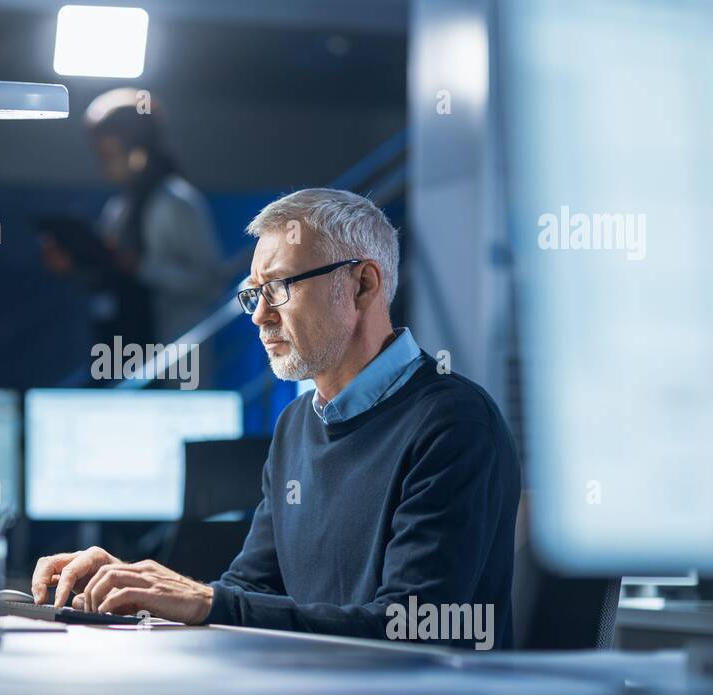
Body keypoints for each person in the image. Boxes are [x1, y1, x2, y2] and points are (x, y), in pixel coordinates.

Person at [30, 188, 521, 648]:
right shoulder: (296, 425)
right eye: (253, 292)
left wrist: (207, 603)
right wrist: (139, 588)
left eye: (280, 286)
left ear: (362, 286)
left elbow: (412, 630)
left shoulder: (453, 425)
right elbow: (250, 588)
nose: (259, 315)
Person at [41, 88, 225, 347]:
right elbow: (110, 272)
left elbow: (210, 284)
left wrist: (140, 266)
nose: (102, 166)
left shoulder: (178, 203)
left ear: (138, 153)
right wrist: (74, 263)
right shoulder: (119, 208)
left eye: (108, 156)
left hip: (169, 360)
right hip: (120, 349)